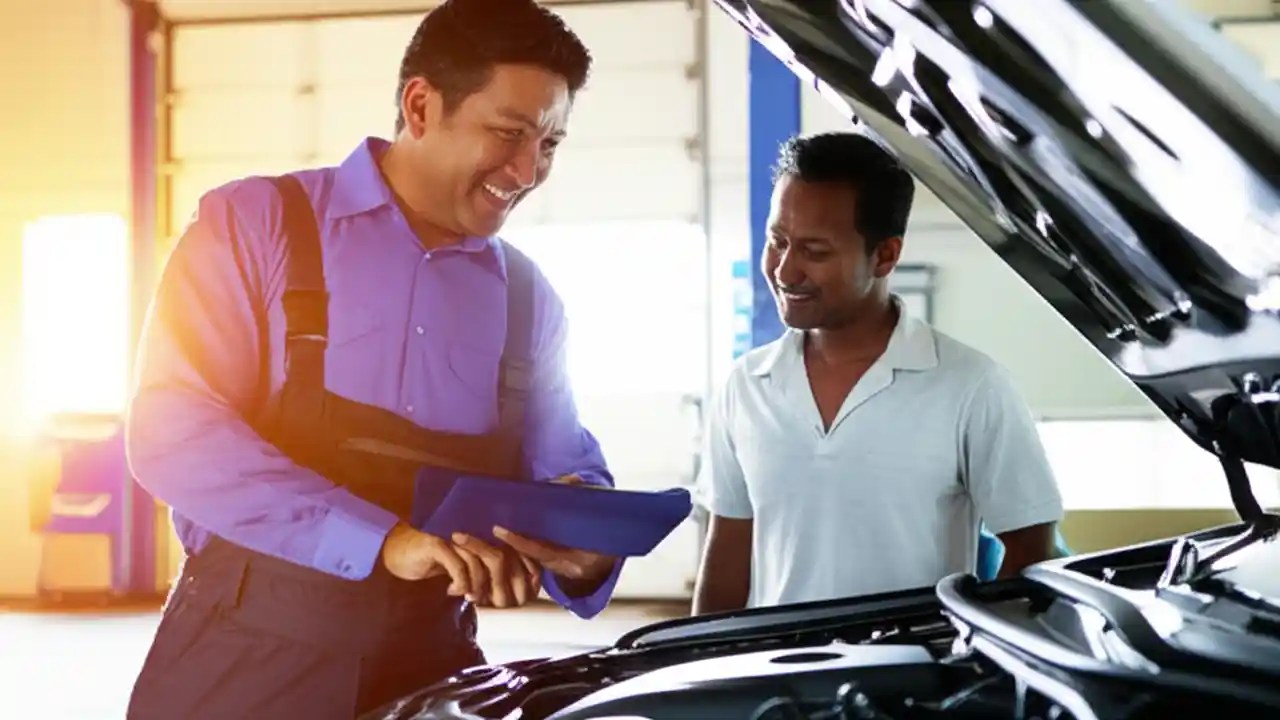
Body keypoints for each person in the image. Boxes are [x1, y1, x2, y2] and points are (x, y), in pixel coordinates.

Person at [125, 1, 623, 717]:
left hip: (429, 663)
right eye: (509, 133)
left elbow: (563, 465)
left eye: (549, 143)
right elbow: (173, 435)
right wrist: (384, 540)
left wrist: (590, 539)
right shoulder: (257, 226)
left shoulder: (527, 298)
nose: (527, 170)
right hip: (244, 653)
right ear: (420, 106)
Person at [692, 132, 1064, 615]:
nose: (785, 270)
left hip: (913, 680)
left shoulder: (971, 386)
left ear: (885, 255)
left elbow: (1031, 549)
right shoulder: (746, 386)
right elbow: (727, 551)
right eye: (777, 241)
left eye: (815, 251)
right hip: (775, 677)